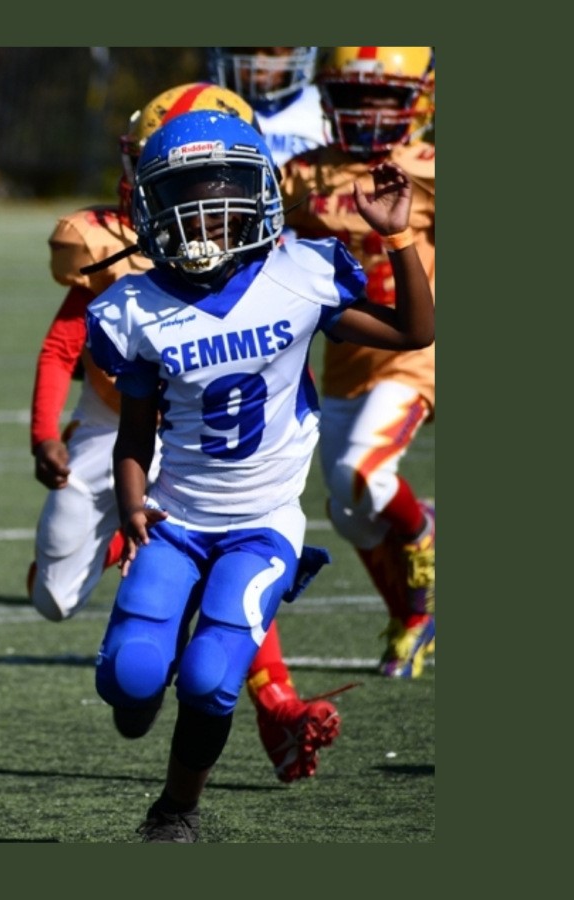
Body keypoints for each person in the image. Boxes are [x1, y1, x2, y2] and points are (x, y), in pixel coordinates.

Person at [84, 109, 434, 841]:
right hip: (176, 519)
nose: (204, 221)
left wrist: (398, 236)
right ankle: (143, 680)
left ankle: (176, 809)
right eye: (185, 202)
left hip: (263, 527)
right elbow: (134, 434)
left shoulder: (302, 273)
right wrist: (132, 508)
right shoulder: (134, 309)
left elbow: (413, 334)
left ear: (257, 199)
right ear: (151, 210)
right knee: (130, 677)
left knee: (213, 678)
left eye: (220, 200)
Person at [27, 83, 342, 785]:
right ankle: (137, 611)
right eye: (166, 172)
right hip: (118, 420)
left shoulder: (278, 265)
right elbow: (62, 345)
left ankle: (267, 702)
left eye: (214, 182)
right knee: (56, 599)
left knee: (226, 573)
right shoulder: (111, 249)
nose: (197, 204)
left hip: (216, 449)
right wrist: (44, 429)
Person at [281, 46, 436, 678]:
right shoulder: (302, 174)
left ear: (417, 100)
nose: (368, 110)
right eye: (353, 95)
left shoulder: (428, 167)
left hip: (414, 355)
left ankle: (425, 534)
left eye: (383, 96)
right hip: (344, 360)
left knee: (364, 474)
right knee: (347, 508)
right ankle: (411, 616)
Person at [207, 47, 328, 167]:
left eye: (271, 53)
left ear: (296, 53)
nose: (257, 64)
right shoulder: (205, 102)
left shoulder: (324, 106)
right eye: (246, 50)